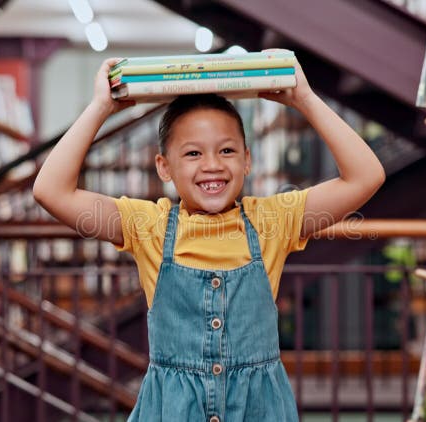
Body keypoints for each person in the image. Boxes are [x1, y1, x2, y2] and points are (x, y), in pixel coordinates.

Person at [33, 52, 385, 421]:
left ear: (247, 160)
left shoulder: (273, 221)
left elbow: (366, 176)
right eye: (193, 153)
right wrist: (100, 107)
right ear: (164, 167)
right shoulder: (147, 225)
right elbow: (51, 191)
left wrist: (305, 99)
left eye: (227, 150)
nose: (212, 165)